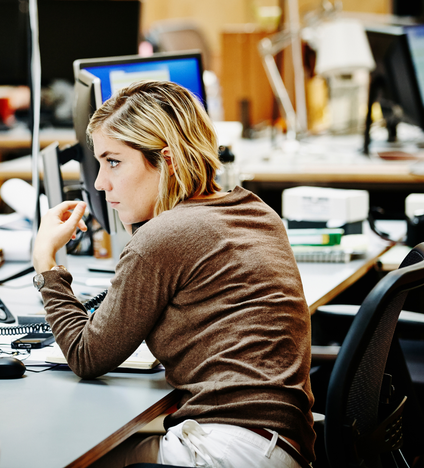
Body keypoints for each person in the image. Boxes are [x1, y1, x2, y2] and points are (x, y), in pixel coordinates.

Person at [32, 80, 316, 467]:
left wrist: (46, 263)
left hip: (229, 452)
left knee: (63, 457)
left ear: (167, 161)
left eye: (113, 161)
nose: (100, 182)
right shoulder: (255, 210)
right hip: (280, 448)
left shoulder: (165, 236)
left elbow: (86, 356)